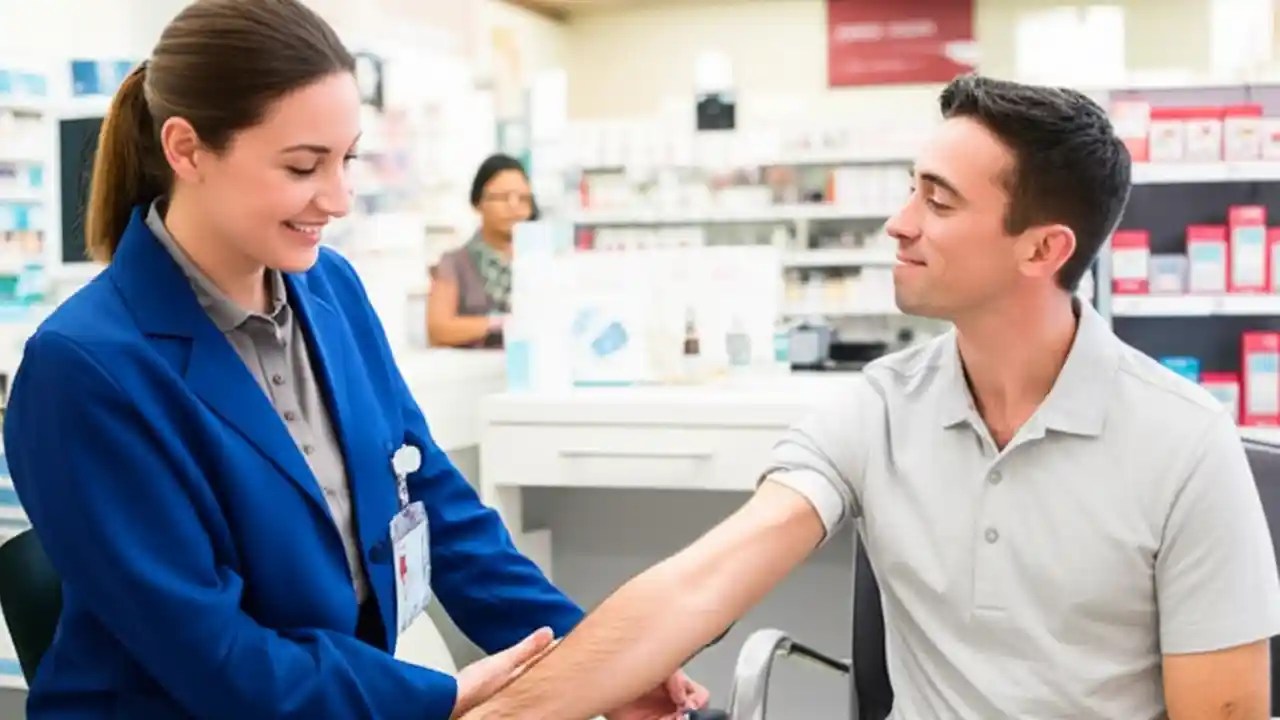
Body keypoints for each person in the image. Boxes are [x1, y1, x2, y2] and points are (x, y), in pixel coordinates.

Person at [462, 74, 1280, 720]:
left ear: (1043, 248)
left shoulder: (1183, 444)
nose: (899, 222)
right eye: (909, 188)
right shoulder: (881, 407)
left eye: (938, 199)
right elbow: (699, 584)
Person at [1, 1, 705, 718]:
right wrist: (438, 697)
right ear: (186, 150)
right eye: (304, 166)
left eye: (347, 159)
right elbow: (211, 655)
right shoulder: (83, 369)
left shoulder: (329, 287)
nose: (338, 199)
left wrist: (600, 658)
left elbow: (430, 499)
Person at [426, 154, 535, 349]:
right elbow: (438, 329)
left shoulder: (541, 259)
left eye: (523, 198)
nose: (514, 206)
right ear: (477, 202)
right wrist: (502, 324)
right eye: (502, 197)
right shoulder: (454, 263)